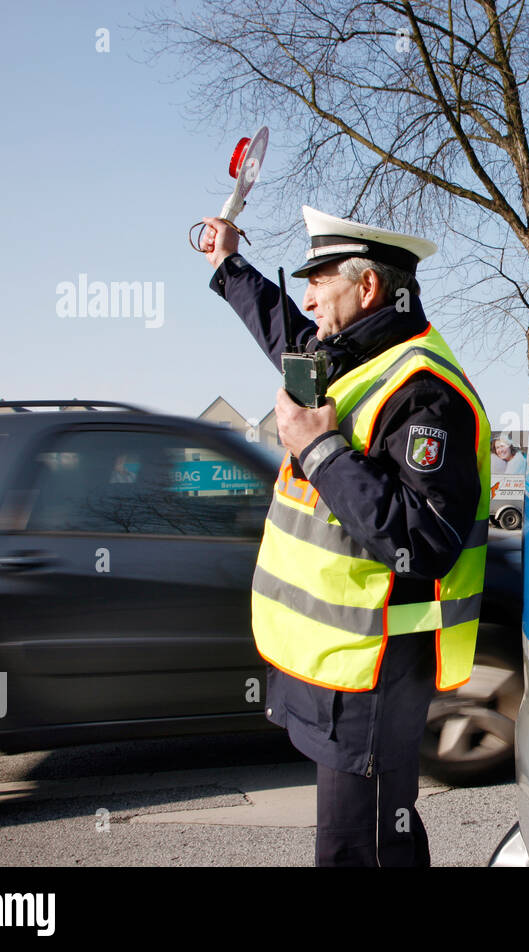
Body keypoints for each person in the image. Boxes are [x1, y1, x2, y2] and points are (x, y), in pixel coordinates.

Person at [200, 205, 491, 867]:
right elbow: (285, 330)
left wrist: (321, 448)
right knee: (375, 842)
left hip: (376, 672)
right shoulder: (357, 358)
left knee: (358, 851)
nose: (306, 295)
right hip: (343, 667)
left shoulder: (424, 391)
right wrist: (228, 266)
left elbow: (427, 538)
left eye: (318, 279)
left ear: (367, 290)